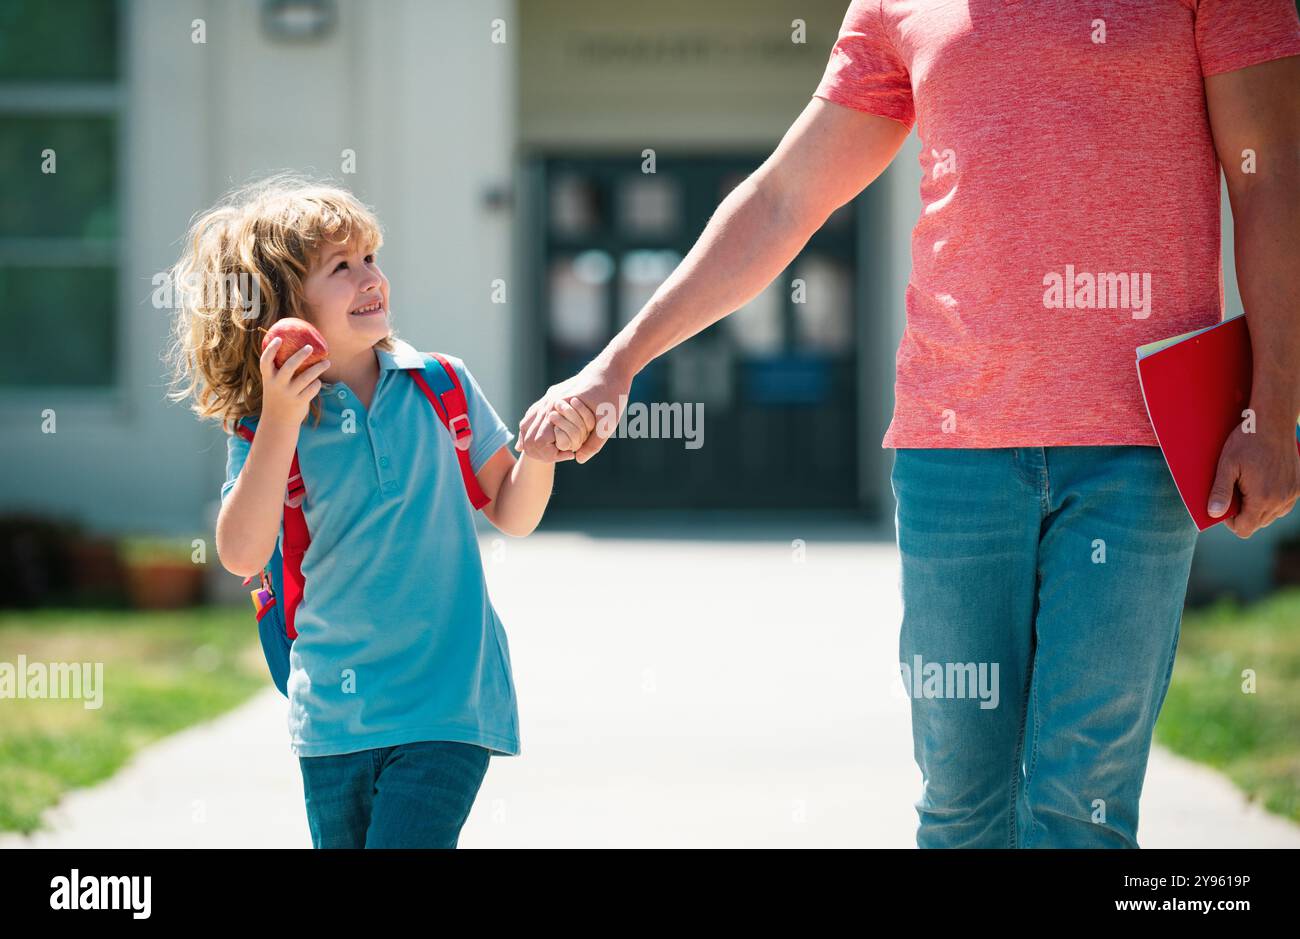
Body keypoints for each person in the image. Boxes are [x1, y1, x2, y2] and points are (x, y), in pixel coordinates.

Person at [519, 1, 1300, 847]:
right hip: (953, 451)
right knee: (962, 806)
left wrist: (1276, 406)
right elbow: (785, 199)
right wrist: (621, 359)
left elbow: (1272, 177)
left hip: (1141, 446)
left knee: (1084, 806)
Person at [165, 174, 590, 848]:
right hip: (333, 719)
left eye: (371, 257)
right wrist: (279, 418)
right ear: (282, 307)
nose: (372, 278)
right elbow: (243, 552)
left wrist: (537, 455)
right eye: (341, 267)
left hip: (447, 708)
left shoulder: (440, 384)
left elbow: (513, 510)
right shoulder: (265, 428)